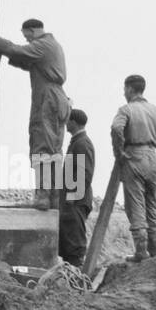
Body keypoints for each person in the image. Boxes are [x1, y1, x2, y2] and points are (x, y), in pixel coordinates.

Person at [0, 17, 69, 210]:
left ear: (32, 31)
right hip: (58, 99)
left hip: (47, 98)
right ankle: (54, 198)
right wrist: (3, 50)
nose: (27, 40)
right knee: (54, 149)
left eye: (26, 36)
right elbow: (25, 60)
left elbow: (16, 50)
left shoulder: (43, 45)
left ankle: (43, 196)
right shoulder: (52, 46)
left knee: (42, 145)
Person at [110, 75, 156, 262]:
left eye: (124, 89)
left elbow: (116, 128)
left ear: (129, 89)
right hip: (152, 158)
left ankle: (141, 252)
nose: (123, 93)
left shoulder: (126, 110)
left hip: (134, 158)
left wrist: (120, 152)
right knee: (151, 205)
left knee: (135, 205)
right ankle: (154, 251)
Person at [58, 109, 95, 267]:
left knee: (74, 244)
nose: (66, 123)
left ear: (73, 122)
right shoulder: (78, 142)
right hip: (73, 201)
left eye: (68, 120)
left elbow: (84, 174)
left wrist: (72, 198)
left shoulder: (81, 143)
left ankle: (76, 276)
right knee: (68, 243)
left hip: (76, 202)